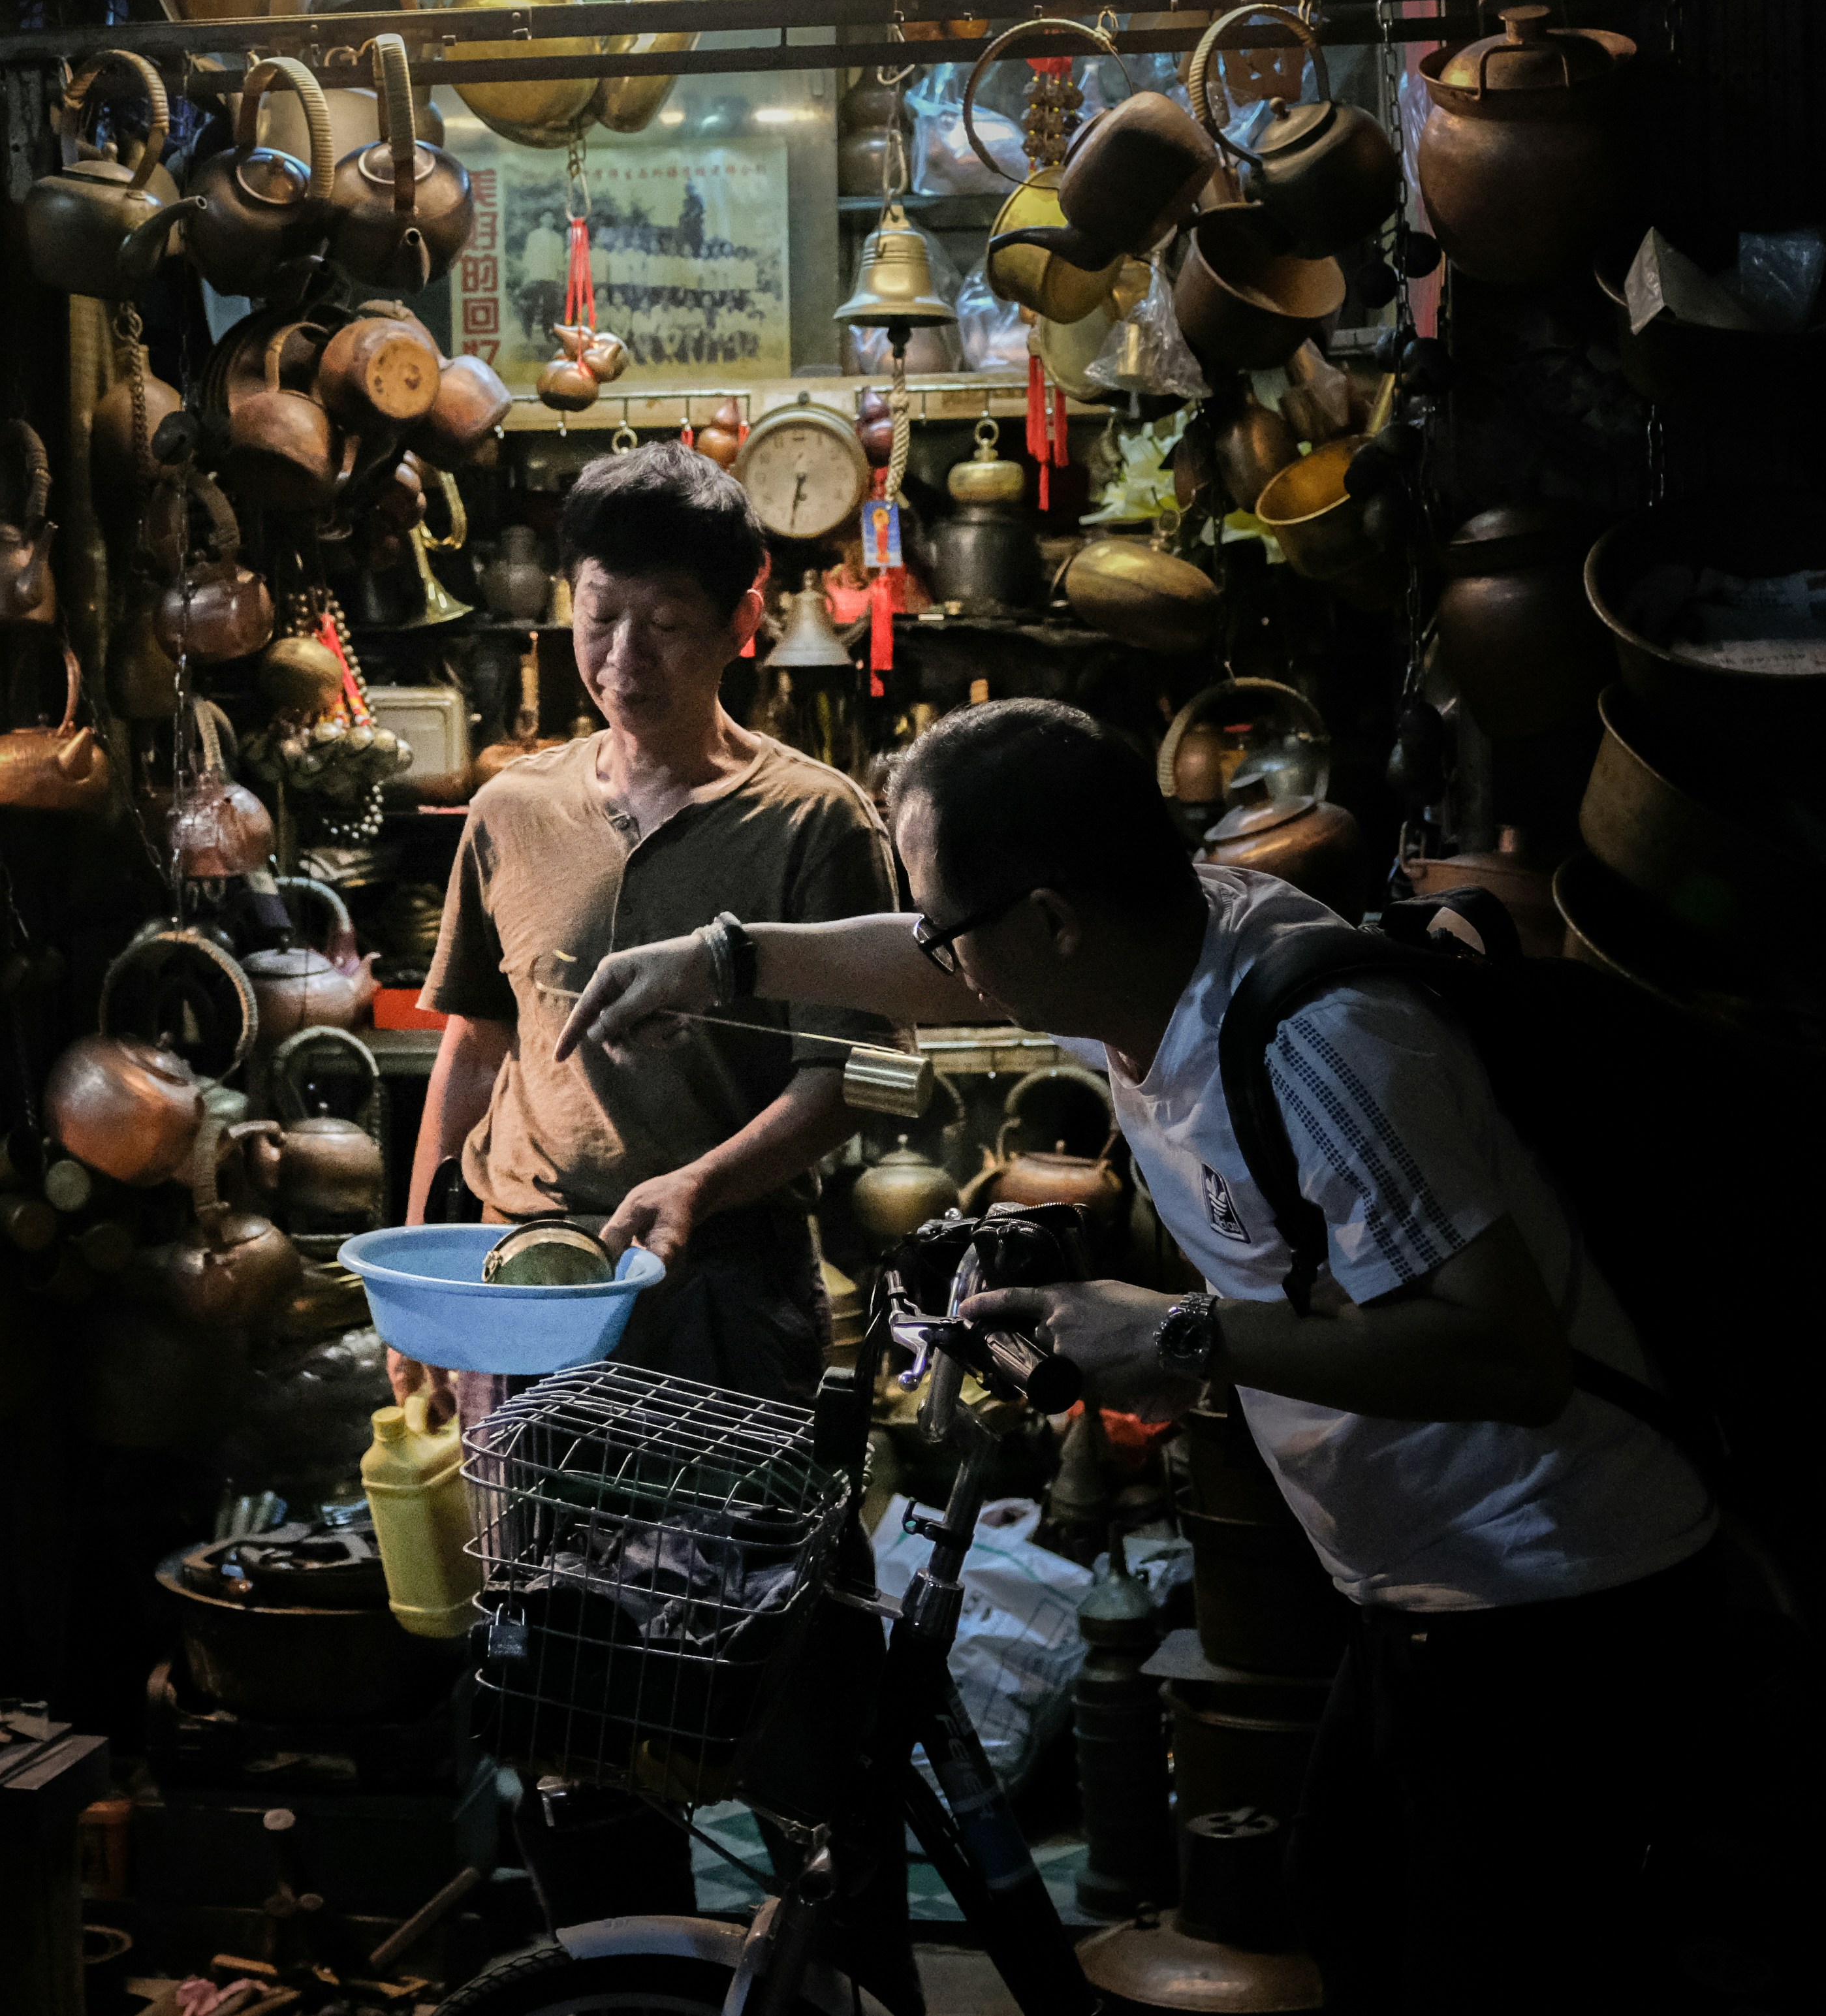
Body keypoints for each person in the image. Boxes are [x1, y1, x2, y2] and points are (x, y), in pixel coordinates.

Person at [558, 697, 1722, 2014]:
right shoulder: (1140, 958)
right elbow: (927, 964)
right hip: (1422, 1591)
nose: (942, 957)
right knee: (1349, 1904)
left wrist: (1176, 1331)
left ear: (1051, 918)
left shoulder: (1313, 1042)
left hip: (1554, 1598)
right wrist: (722, 958)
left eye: (952, 921)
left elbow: (1509, 1355)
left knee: (1479, 1965)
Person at [396, 441, 901, 1417]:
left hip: (721, 1286)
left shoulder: (814, 821)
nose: (624, 660)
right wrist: (426, 1289)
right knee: (524, 1568)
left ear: (741, 623)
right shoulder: (511, 808)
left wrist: (697, 1188)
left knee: (736, 1569)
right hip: (520, 1279)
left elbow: (847, 1077)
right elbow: (474, 1044)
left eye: (665, 623)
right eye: (600, 618)